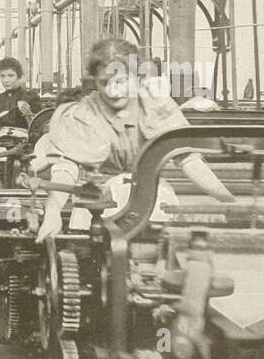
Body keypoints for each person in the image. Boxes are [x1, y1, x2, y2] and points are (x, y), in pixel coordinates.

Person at [33, 38, 236, 243]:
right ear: (95, 81)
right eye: (104, 82)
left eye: (121, 81)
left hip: (151, 203)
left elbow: (189, 161)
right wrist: (52, 212)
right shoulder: (82, 113)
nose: (113, 91)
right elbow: (65, 168)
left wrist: (230, 202)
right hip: (96, 206)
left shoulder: (156, 104)